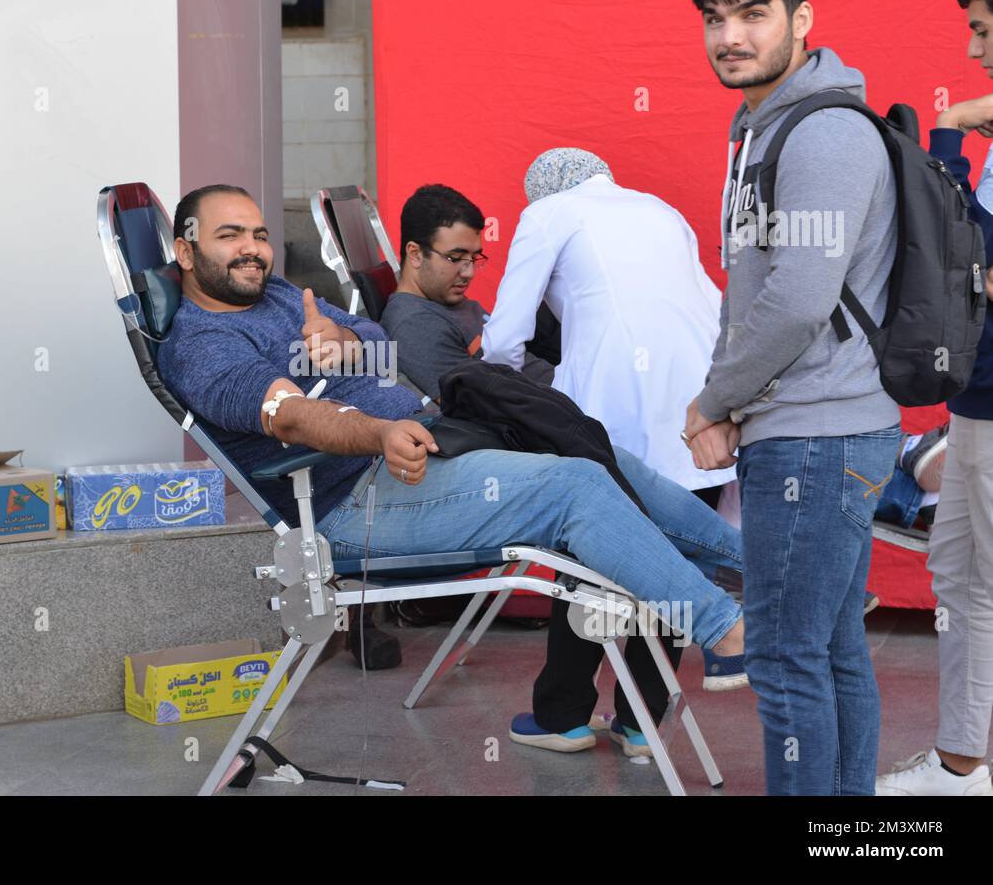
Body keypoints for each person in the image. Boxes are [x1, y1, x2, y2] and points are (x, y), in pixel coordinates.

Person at [154, 183, 750, 754]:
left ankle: (774, 580)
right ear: (185, 250)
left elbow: (371, 334)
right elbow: (293, 417)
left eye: (258, 234)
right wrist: (379, 431)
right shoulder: (204, 346)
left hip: (430, 447)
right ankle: (726, 632)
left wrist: (339, 335)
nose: (252, 248)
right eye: (229, 235)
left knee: (597, 452)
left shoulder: (280, 294)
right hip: (353, 500)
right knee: (573, 489)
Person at [381, 183, 748, 758]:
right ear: (412, 253)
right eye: (454, 258)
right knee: (612, 527)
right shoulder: (414, 324)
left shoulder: (462, 309)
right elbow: (473, 404)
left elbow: (532, 348)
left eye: (475, 258)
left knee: (640, 539)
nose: (469, 273)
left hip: (575, 427)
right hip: (535, 448)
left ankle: (577, 715)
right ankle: (632, 720)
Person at [687, 0, 901, 796]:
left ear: (801, 18)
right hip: (817, 429)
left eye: (753, 14)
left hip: (816, 437)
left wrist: (712, 402)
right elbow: (750, 289)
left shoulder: (821, 135)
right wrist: (734, 401)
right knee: (830, 649)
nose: (730, 35)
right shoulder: (762, 128)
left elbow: (800, 302)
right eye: (713, 18)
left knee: (780, 659)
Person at [877, 0, 993, 797]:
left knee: (973, 575)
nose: (975, 53)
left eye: (984, 33)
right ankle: (961, 761)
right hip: (978, 401)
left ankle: (961, 764)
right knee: (959, 572)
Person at [481, 150, 734, 502]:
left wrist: (494, 404)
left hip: (615, 401)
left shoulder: (547, 211)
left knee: (629, 532)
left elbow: (503, 341)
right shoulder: (660, 209)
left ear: (541, 191)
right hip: (703, 401)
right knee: (703, 534)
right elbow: (714, 307)